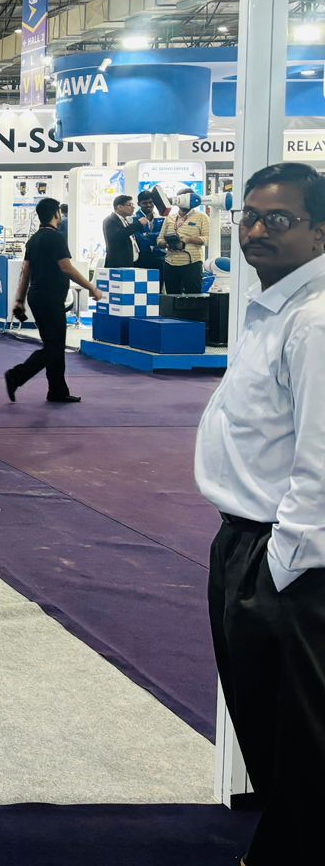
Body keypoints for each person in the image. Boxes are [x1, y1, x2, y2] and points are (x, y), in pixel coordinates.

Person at [196, 161, 325, 866]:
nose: (255, 230)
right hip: (245, 545)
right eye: (248, 216)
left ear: (320, 232)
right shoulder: (273, 307)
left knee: (299, 732)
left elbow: (321, 462)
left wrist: (283, 564)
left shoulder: (314, 321)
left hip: (287, 559)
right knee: (265, 722)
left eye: (279, 219)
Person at [4, 196, 102, 404]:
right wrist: (91, 287)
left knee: (54, 344)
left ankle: (57, 390)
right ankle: (16, 375)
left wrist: (20, 299)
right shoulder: (55, 238)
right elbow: (67, 268)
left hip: (38, 296)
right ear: (57, 213)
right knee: (53, 347)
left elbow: (25, 272)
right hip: (49, 298)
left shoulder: (34, 239)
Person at [158, 188, 211, 294]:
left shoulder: (202, 217)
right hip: (170, 263)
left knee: (193, 295)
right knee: (172, 297)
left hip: (192, 264)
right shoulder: (170, 218)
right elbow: (159, 239)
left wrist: (187, 239)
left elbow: (208, 239)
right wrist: (167, 244)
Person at [134, 189, 167, 272]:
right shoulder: (133, 219)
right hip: (141, 258)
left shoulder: (161, 218)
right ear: (139, 204)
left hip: (160, 257)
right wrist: (157, 236)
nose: (148, 205)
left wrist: (147, 234)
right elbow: (139, 239)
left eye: (151, 202)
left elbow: (164, 235)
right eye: (145, 203)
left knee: (159, 280)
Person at [102, 193, 139, 269]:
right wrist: (139, 224)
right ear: (119, 207)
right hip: (117, 264)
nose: (133, 207)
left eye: (133, 205)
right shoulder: (110, 220)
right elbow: (119, 235)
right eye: (129, 205)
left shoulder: (125, 220)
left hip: (128, 263)